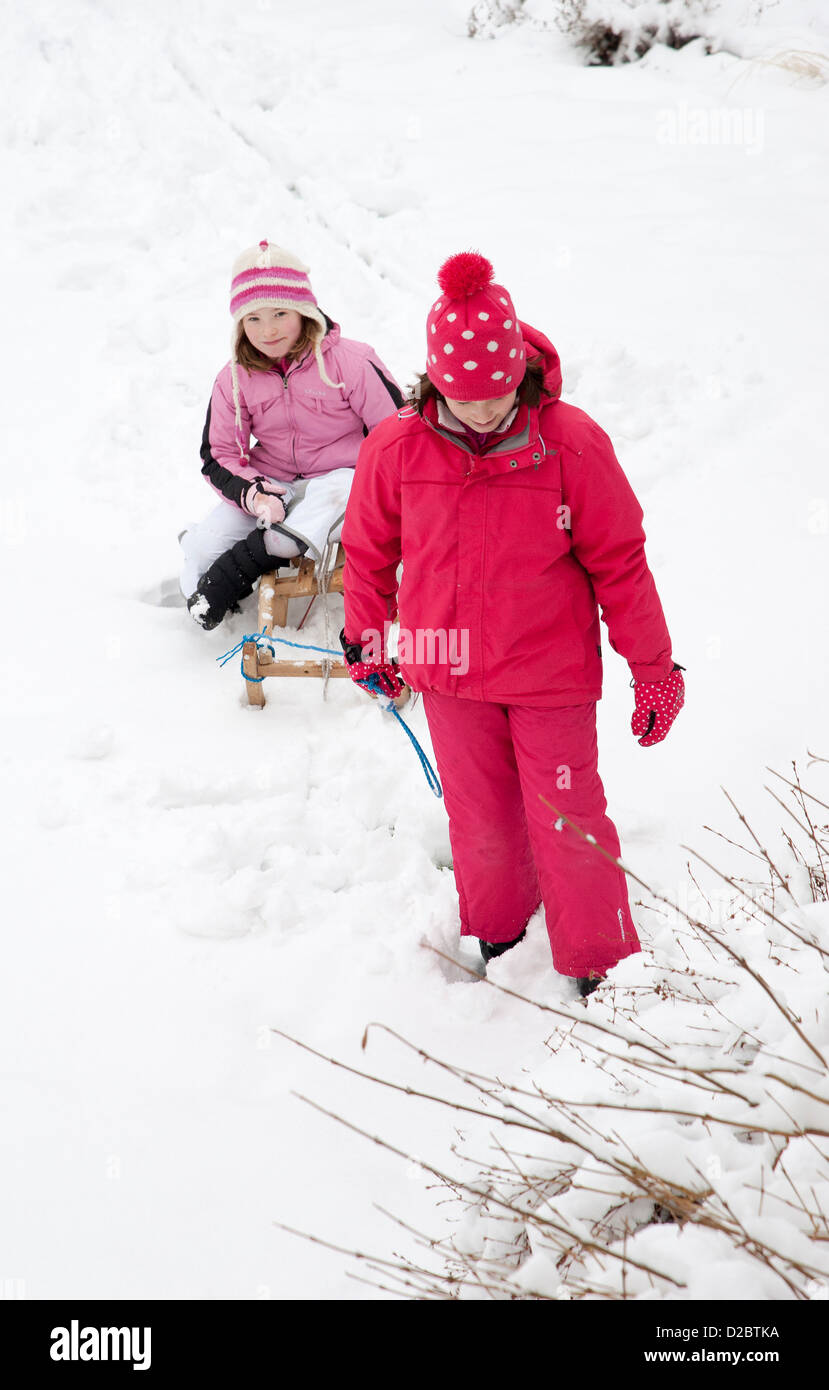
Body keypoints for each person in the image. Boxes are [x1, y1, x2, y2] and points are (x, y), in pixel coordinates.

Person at [339, 252, 684, 997]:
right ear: (434, 382)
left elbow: (619, 564)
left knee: (569, 819)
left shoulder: (570, 443)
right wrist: (368, 640)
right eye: (465, 397)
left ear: (518, 373)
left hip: (549, 674)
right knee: (482, 822)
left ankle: (602, 964)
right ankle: (499, 936)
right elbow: (368, 554)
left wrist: (653, 670)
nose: (484, 410)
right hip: (448, 670)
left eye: (497, 393)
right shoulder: (395, 448)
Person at [181, 239, 403, 629]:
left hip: (341, 479)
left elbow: (397, 434)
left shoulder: (351, 362)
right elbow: (219, 454)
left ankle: (270, 546)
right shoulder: (233, 379)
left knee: (331, 498)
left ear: (303, 311)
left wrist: (377, 485)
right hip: (275, 483)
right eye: (253, 319)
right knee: (201, 555)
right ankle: (211, 584)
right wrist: (255, 493)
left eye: (280, 313)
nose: (267, 330)